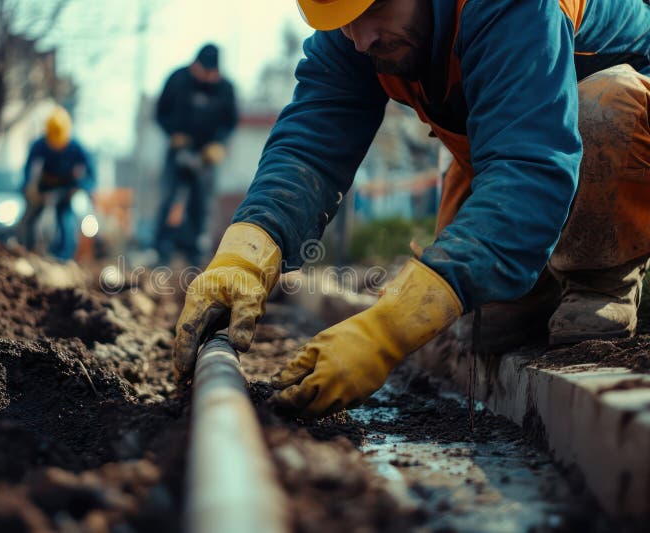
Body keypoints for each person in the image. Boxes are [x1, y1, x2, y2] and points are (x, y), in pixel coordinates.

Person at [173, 0, 650, 418]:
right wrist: (246, 252)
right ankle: (541, 280)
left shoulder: (511, 4)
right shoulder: (355, 32)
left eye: (372, 12)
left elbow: (529, 168)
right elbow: (309, 148)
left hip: (617, 139)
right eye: (345, 23)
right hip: (521, 155)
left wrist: (387, 330)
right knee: (490, 325)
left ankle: (600, 277)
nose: (360, 40)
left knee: (602, 109)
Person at [153, 43, 238, 266]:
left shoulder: (225, 88)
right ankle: (161, 250)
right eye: (203, 71)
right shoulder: (177, 79)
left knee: (201, 204)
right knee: (168, 199)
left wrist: (219, 144)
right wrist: (172, 134)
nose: (207, 77)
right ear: (195, 65)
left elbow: (230, 123)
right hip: (178, 151)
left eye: (212, 73)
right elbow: (160, 112)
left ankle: (195, 254)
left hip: (206, 156)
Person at [20, 106, 96, 261]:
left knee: (65, 216)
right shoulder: (39, 145)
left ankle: (64, 256)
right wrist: (29, 187)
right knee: (31, 215)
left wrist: (81, 188)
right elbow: (28, 167)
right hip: (45, 183)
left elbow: (91, 174)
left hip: (67, 187)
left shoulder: (76, 147)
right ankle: (27, 249)